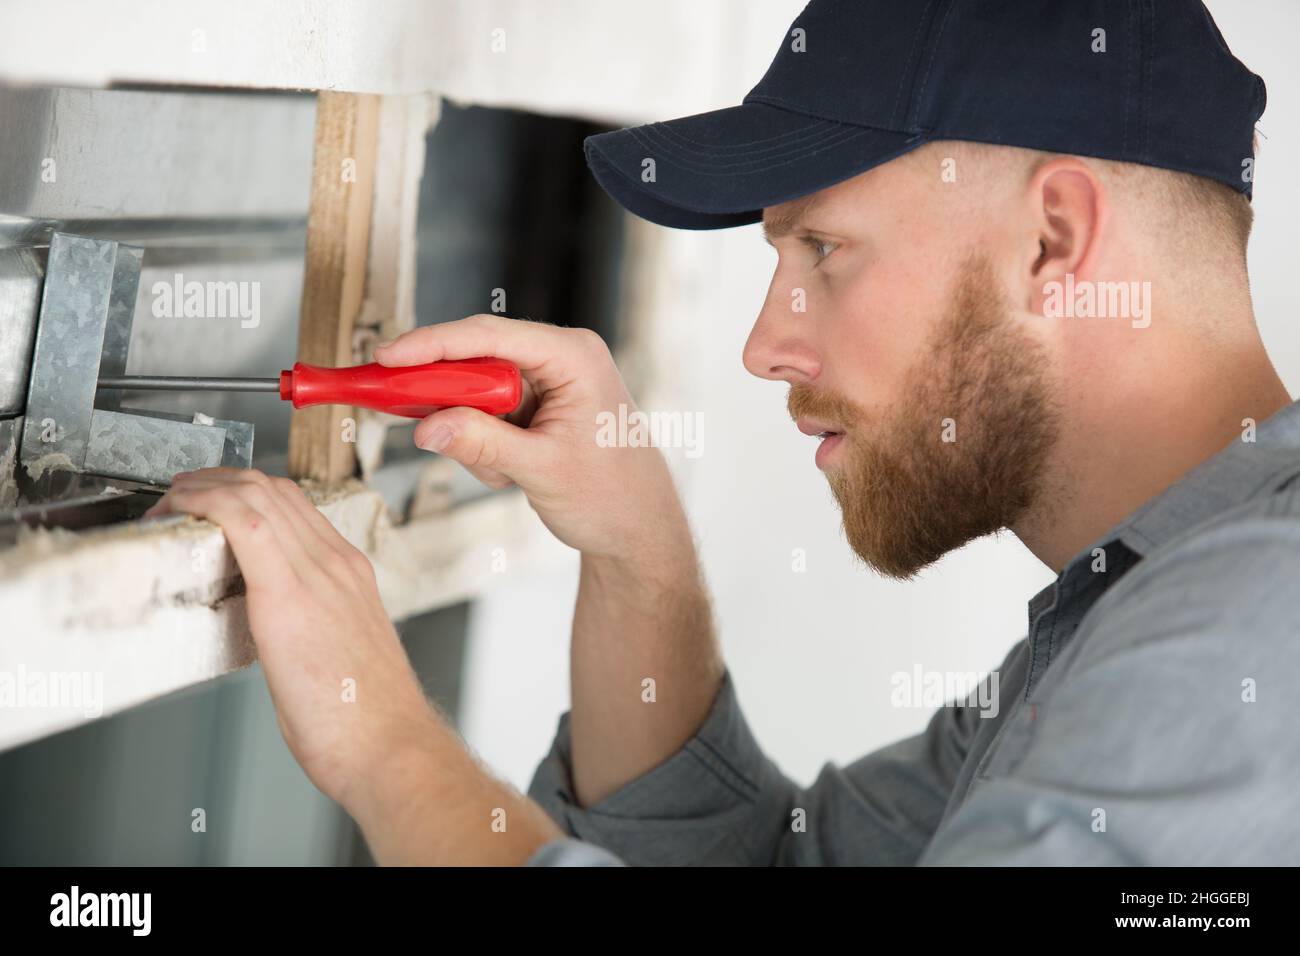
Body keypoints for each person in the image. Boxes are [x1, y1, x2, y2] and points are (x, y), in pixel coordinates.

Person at [146, 0, 1300, 865]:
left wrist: (383, 743)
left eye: (823, 249)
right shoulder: (1130, 619)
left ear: (1053, 239)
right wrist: (638, 548)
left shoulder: (1255, 627)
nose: (764, 344)